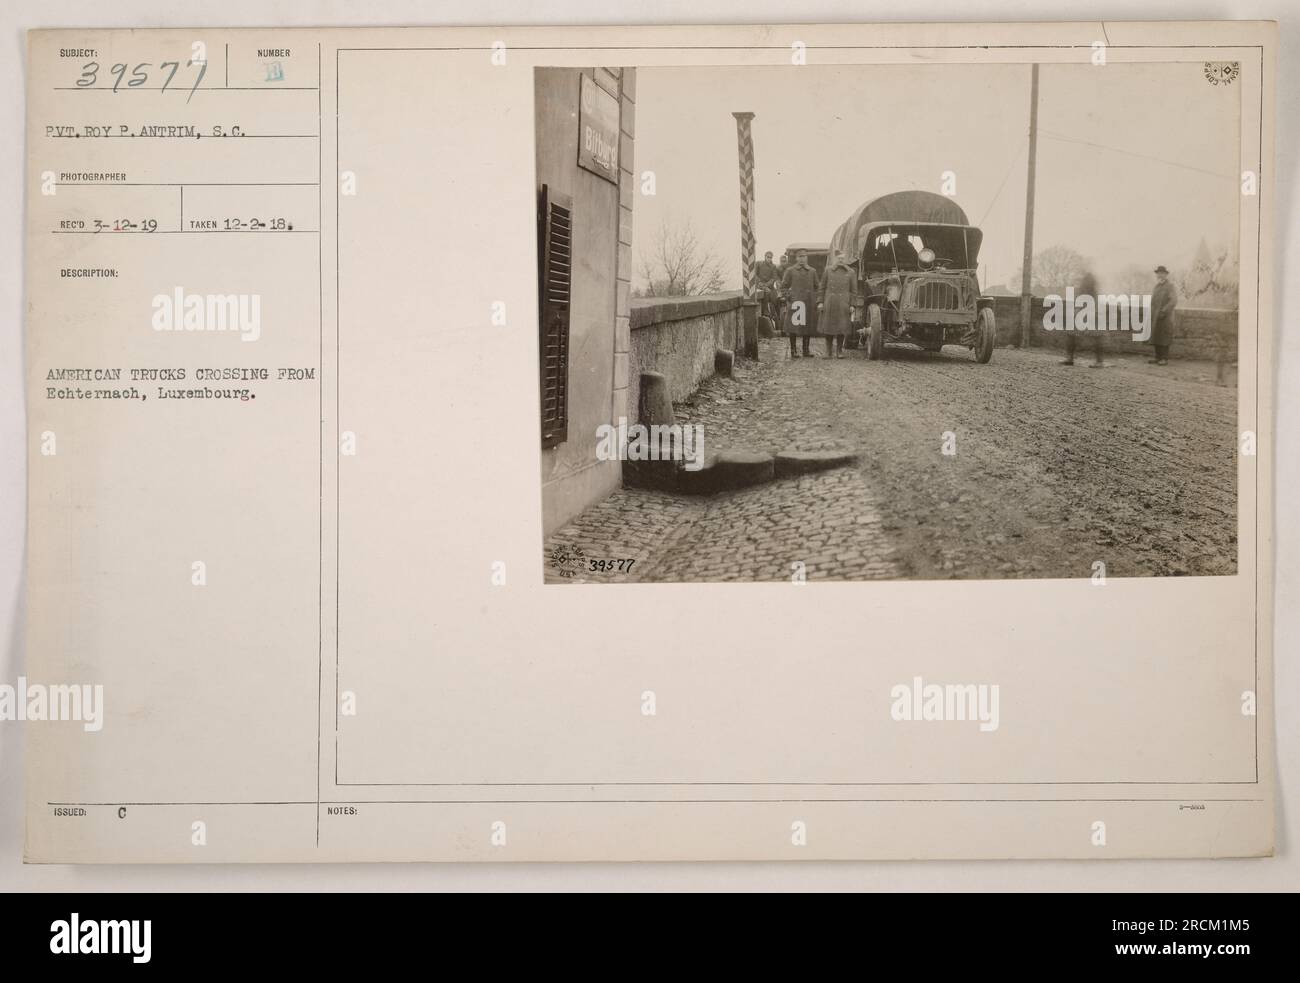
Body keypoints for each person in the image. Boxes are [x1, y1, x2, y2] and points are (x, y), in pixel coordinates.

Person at [1060, 270, 1104, 368]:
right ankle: (1070, 359)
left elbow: (1096, 307)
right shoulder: (1084, 291)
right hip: (1084, 316)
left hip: (1091, 316)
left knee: (1097, 336)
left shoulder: (1093, 293)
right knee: (1071, 333)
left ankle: (1099, 361)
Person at [780, 249, 820, 357]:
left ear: (807, 258)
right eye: (800, 257)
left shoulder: (812, 271)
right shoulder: (790, 271)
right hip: (795, 303)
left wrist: (814, 299)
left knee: (807, 327)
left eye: (804, 256)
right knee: (793, 327)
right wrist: (789, 297)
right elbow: (783, 287)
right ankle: (793, 351)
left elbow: (817, 287)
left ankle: (806, 350)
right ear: (796, 258)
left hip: (808, 303)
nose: (802, 259)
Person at [818, 253, 857, 359]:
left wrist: (852, 304)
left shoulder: (851, 272)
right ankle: (828, 351)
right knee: (828, 327)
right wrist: (820, 302)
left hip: (843, 302)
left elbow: (854, 291)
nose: (841, 260)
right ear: (835, 259)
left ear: (846, 259)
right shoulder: (828, 270)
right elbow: (822, 287)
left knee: (842, 327)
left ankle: (839, 351)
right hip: (830, 301)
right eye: (839, 258)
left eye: (843, 258)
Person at [1149, 265, 1177, 365]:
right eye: (1158, 273)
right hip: (1156, 316)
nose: (1160, 275)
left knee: (1164, 337)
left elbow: (1173, 301)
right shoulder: (1156, 286)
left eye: (1162, 273)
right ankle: (1158, 357)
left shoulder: (1170, 286)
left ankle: (1164, 359)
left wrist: (1164, 311)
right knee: (1156, 336)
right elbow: (1153, 301)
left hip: (1166, 316)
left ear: (1166, 275)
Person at [755, 251, 780, 321]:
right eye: (768, 257)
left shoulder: (773, 266)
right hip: (760, 285)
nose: (769, 259)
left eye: (770, 257)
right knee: (767, 293)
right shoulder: (758, 264)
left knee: (777, 297)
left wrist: (767, 284)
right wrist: (759, 282)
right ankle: (765, 311)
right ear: (765, 257)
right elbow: (755, 274)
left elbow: (774, 278)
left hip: (769, 286)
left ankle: (777, 315)